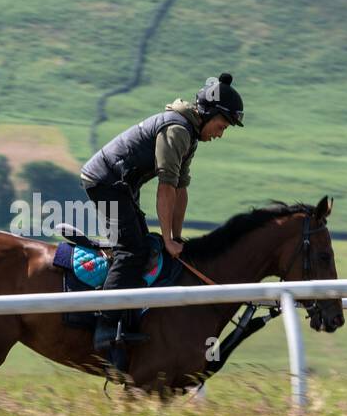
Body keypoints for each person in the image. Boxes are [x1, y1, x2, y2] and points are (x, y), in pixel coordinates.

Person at [78, 72, 244, 359]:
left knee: (142, 245)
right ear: (208, 114)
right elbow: (165, 188)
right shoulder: (178, 130)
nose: (221, 133)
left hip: (120, 185)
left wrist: (177, 238)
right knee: (132, 249)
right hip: (105, 182)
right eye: (222, 125)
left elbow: (180, 189)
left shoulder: (189, 134)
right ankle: (105, 325)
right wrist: (167, 240)